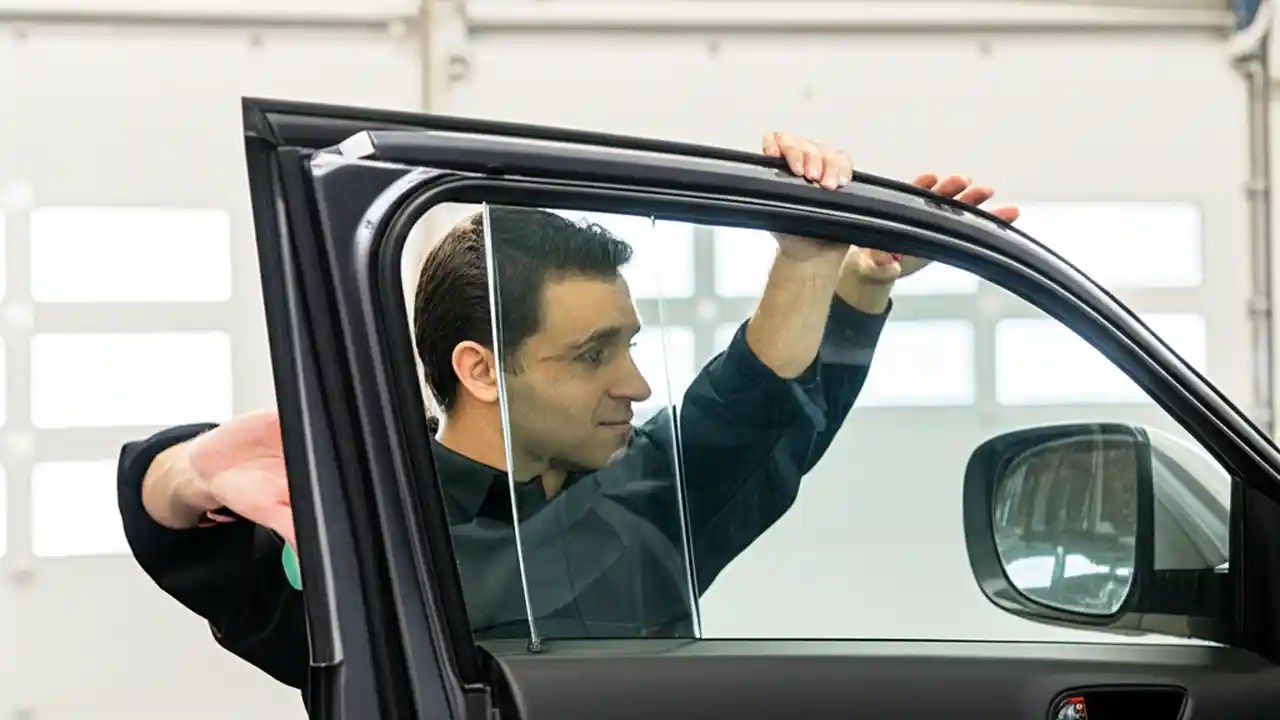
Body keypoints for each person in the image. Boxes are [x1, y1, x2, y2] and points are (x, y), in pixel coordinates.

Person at [118, 132, 1020, 693]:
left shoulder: (655, 499)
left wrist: (828, 266)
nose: (635, 384)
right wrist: (186, 474)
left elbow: (756, 403)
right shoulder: (358, 533)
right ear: (478, 369)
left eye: (629, 343)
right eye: (593, 355)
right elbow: (173, 532)